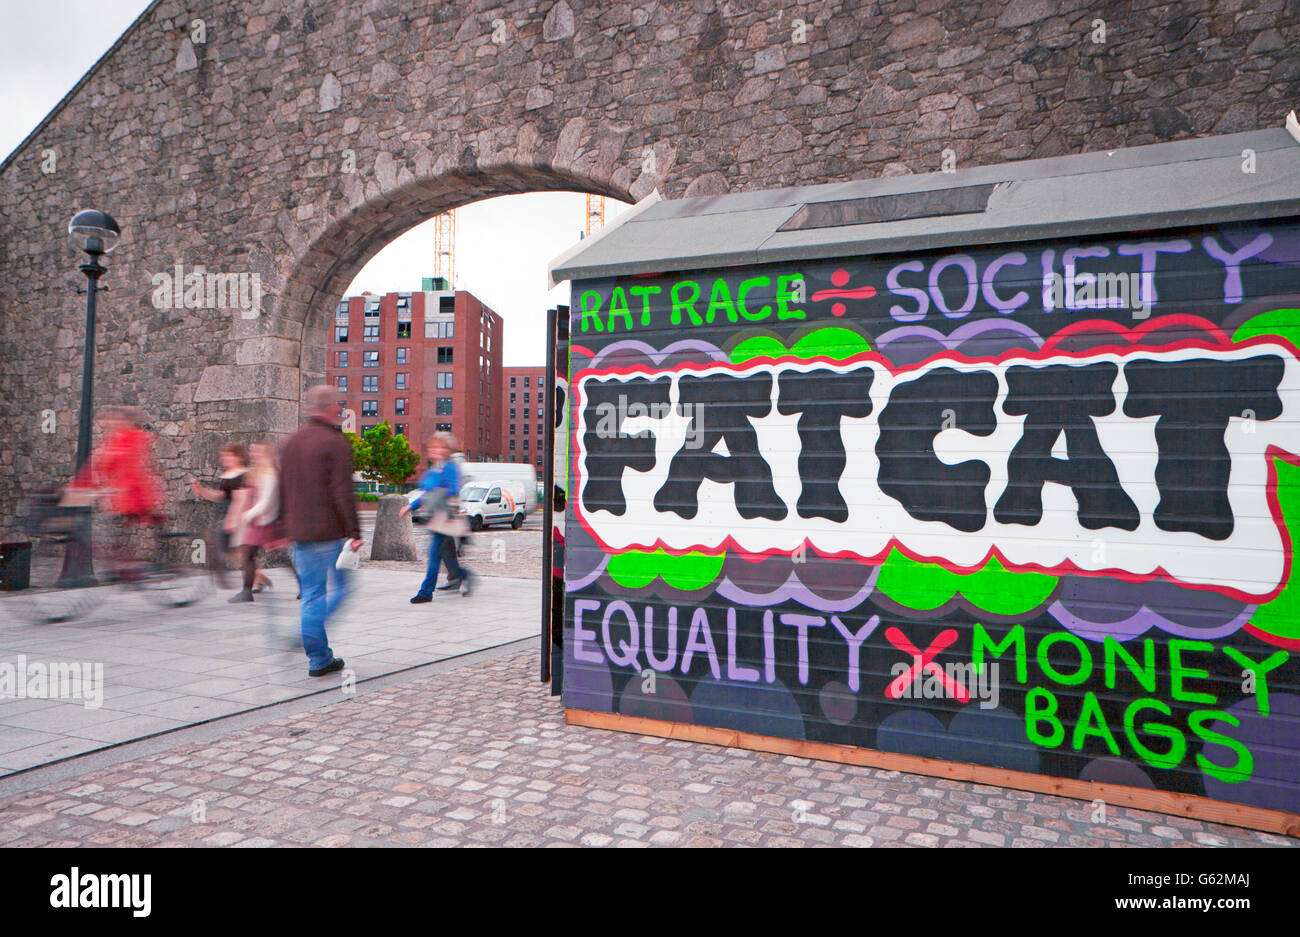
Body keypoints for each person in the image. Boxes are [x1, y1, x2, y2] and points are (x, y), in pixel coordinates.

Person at [278, 385, 361, 677]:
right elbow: (342, 491)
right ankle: (307, 634)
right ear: (329, 408)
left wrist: (280, 525)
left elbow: (282, 486)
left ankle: (319, 659)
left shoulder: (291, 442)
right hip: (328, 532)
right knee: (342, 588)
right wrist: (354, 531)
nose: (340, 409)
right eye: (338, 404)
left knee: (312, 593)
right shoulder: (334, 442)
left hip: (299, 532)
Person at [67, 406, 166, 574]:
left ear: (123, 420)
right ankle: (124, 565)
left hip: (135, 493)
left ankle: (130, 566)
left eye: (112, 419)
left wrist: (113, 486)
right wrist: (80, 485)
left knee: (118, 527)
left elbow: (129, 465)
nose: (109, 423)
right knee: (114, 529)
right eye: (106, 421)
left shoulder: (135, 437)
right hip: (121, 495)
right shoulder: (112, 441)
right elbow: (97, 464)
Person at [402, 432, 476, 601]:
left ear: (447, 450)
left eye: (441, 447)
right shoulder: (433, 468)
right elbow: (426, 493)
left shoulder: (449, 467)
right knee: (448, 558)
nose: (436, 450)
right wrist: (410, 506)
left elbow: (453, 489)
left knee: (434, 554)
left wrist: (437, 493)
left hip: (446, 518)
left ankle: (425, 592)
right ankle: (465, 576)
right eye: (434, 446)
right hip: (435, 518)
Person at [232, 440, 283, 602]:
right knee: (252, 555)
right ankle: (247, 591)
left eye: (257, 451)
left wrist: (248, 514)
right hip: (258, 520)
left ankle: (247, 592)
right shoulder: (258, 471)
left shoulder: (269, 473)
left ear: (266, 454)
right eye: (252, 451)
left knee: (251, 556)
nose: (253, 454)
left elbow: (267, 500)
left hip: (263, 520)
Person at [189, 443, 250, 579]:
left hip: (239, 515)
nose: (226, 458)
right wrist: (202, 491)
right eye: (225, 455)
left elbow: (240, 499)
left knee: (240, 552)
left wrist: (232, 519)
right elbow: (221, 496)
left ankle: (255, 581)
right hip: (229, 513)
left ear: (238, 457)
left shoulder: (242, 474)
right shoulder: (227, 475)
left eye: (229, 455)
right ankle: (258, 579)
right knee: (235, 551)